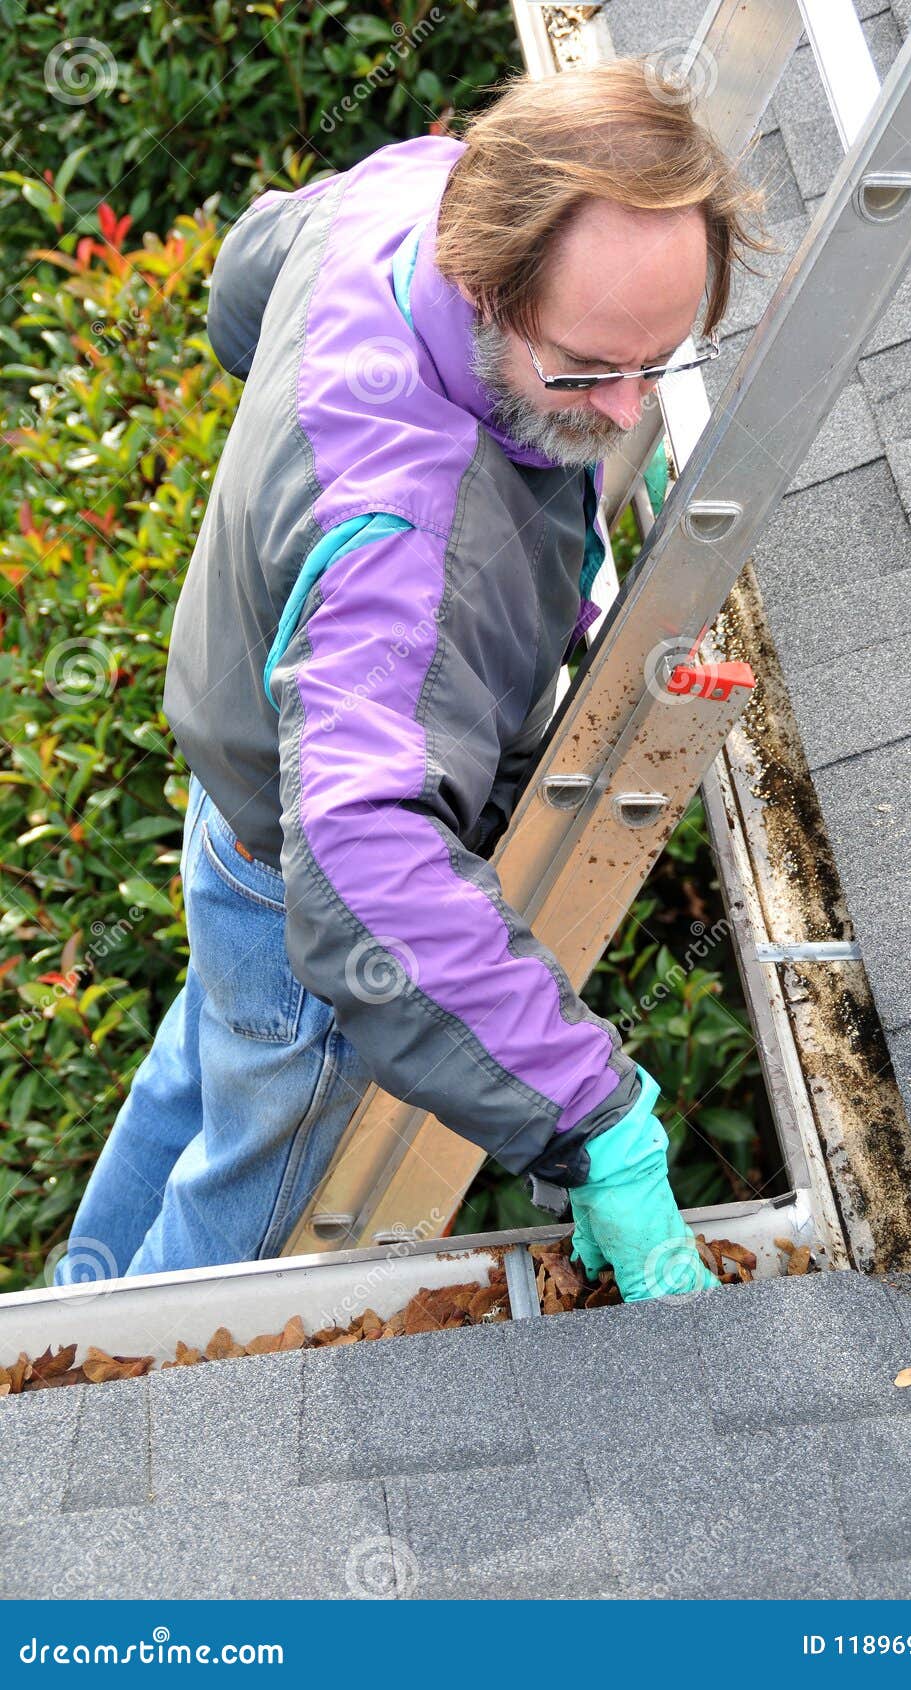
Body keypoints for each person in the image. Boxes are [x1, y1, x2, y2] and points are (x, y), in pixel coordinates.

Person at [52, 56, 768, 1300]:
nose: (627, 408)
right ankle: (105, 1396)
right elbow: (362, 871)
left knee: (209, 1055)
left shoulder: (405, 192)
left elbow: (239, 289)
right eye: (590, 369)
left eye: (662, 363)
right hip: (294, 870)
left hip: (236, 802)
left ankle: (81, 1283)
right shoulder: (407, 545)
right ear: (486, 286)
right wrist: (588, 1114)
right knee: (247, 1189)